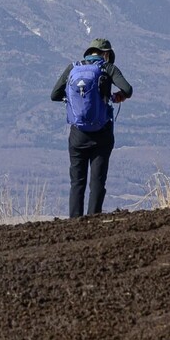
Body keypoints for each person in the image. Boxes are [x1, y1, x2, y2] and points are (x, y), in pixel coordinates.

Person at [50, 37, 134, 217]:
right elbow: (127, 89)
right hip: (101, 134)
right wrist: (117, 96)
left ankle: (74, 223)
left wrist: (72, 100)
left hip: (77, 134)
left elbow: (54, 95)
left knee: (77, 182)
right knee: (97, 181)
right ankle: (93, 223)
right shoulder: (107, 68)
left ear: (89, 52)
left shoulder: (73, 68)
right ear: (106, 54)